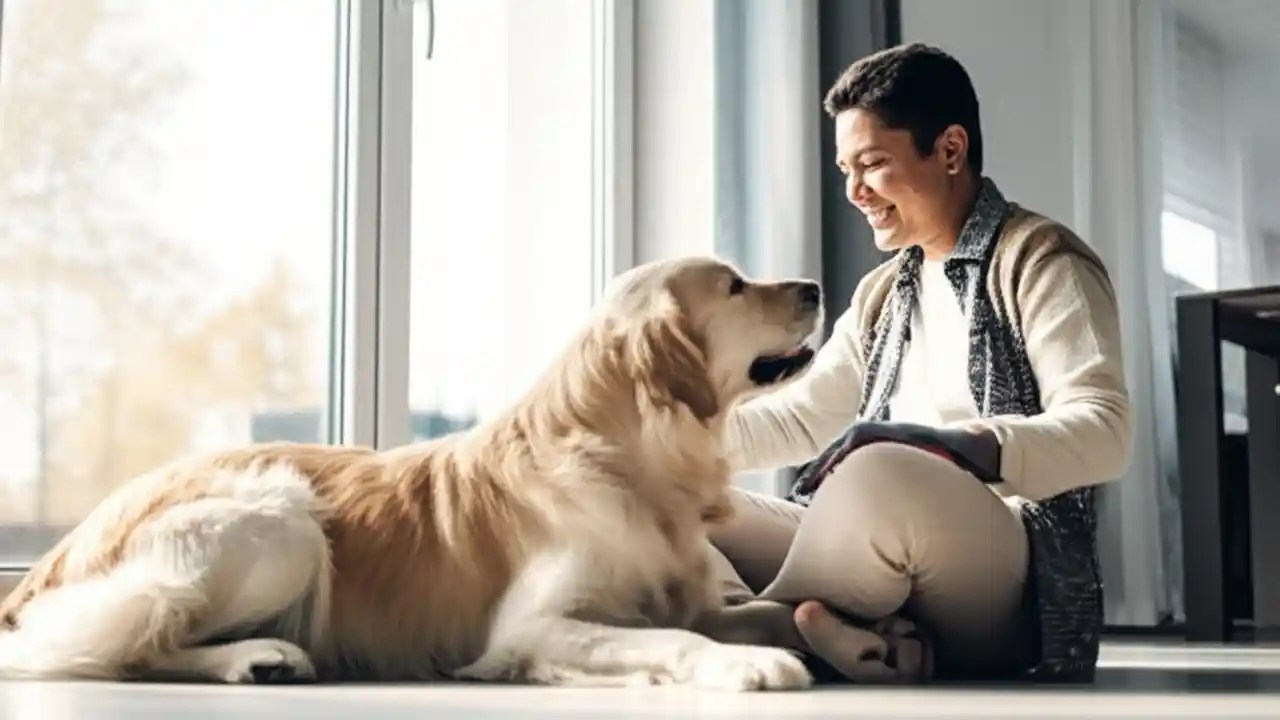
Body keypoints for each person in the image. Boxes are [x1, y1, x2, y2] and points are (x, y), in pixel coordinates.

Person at [705, 43, 1131, 683]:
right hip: (877, 533)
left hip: (1007, 577)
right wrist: (661, 446)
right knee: (683, 502)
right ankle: (795, 629)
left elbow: (1104, 431)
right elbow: (798, 421)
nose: (854, 192)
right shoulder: (885, 292)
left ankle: (773, 628)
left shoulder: (1041, 259)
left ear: (950, 150)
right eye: (846, 169)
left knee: (879, 470)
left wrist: (943, 447)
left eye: (872, 164)